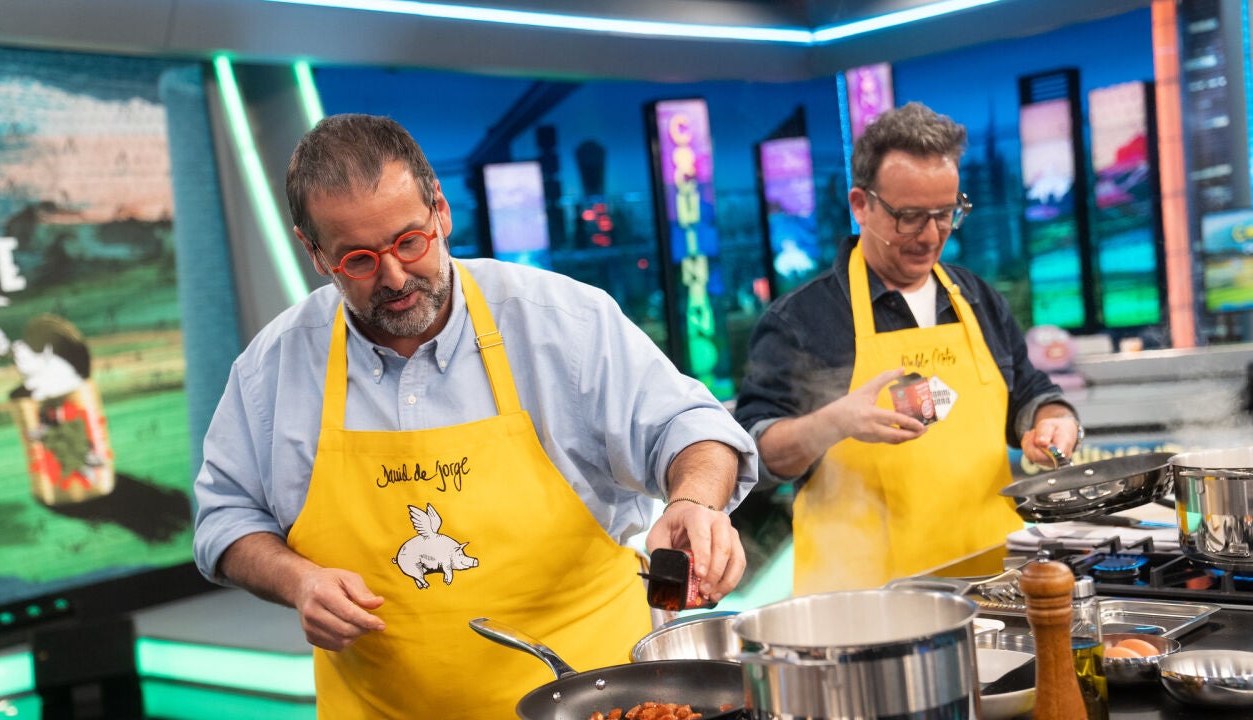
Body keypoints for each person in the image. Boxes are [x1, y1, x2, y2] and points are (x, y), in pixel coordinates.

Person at [192, 113, 757, 719]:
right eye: (358, 259)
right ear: (313, 252)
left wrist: (694, 502)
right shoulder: (272, 369)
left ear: (441, 211)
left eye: (410, 240)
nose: (394, 276)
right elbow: (224, 519)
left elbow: (691, 427)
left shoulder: (562, 322)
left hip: (597, 702)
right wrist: (295, 580)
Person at [734, 102, 1081, 595]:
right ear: (861, 205)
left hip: (994, 583)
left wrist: (1053, 420)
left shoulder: (977, 298)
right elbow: (753, 456)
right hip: (866, 601)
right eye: (909, 217)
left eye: (946, 214)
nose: (931, 235)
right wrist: (831, 423)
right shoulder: (801, 322)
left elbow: (1030, 394)